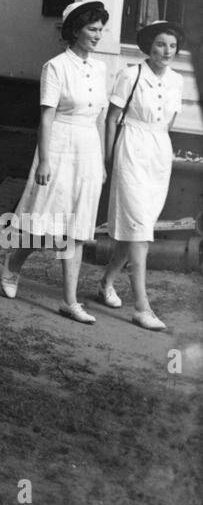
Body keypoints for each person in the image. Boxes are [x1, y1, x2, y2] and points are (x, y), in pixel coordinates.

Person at [0, 0, 110, 323]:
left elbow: (101, 119)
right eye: (92, 29)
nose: (98, 35)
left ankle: (69, 301)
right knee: (45, 224)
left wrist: (101, 161)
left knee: (76, 226)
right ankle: (12, 265)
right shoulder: (56, 66)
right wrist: (45, 161)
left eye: (101, 29)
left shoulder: (101, 68)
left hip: (88, 148)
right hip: (59, 145)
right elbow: (45, 119)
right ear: (75, 30)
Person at [96, 21, 185, 331]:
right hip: (130, 148)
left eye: (172, 46)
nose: (167, 51)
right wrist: (107, 160)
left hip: (158, 153)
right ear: (149, 46)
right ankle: (142, 306)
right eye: (161, 44)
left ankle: (106, 280)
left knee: (138, 227)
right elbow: (112, 119)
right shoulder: (131, 74)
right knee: (139, 230)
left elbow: (168, 123)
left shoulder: (176, 81)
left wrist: (160, 150)